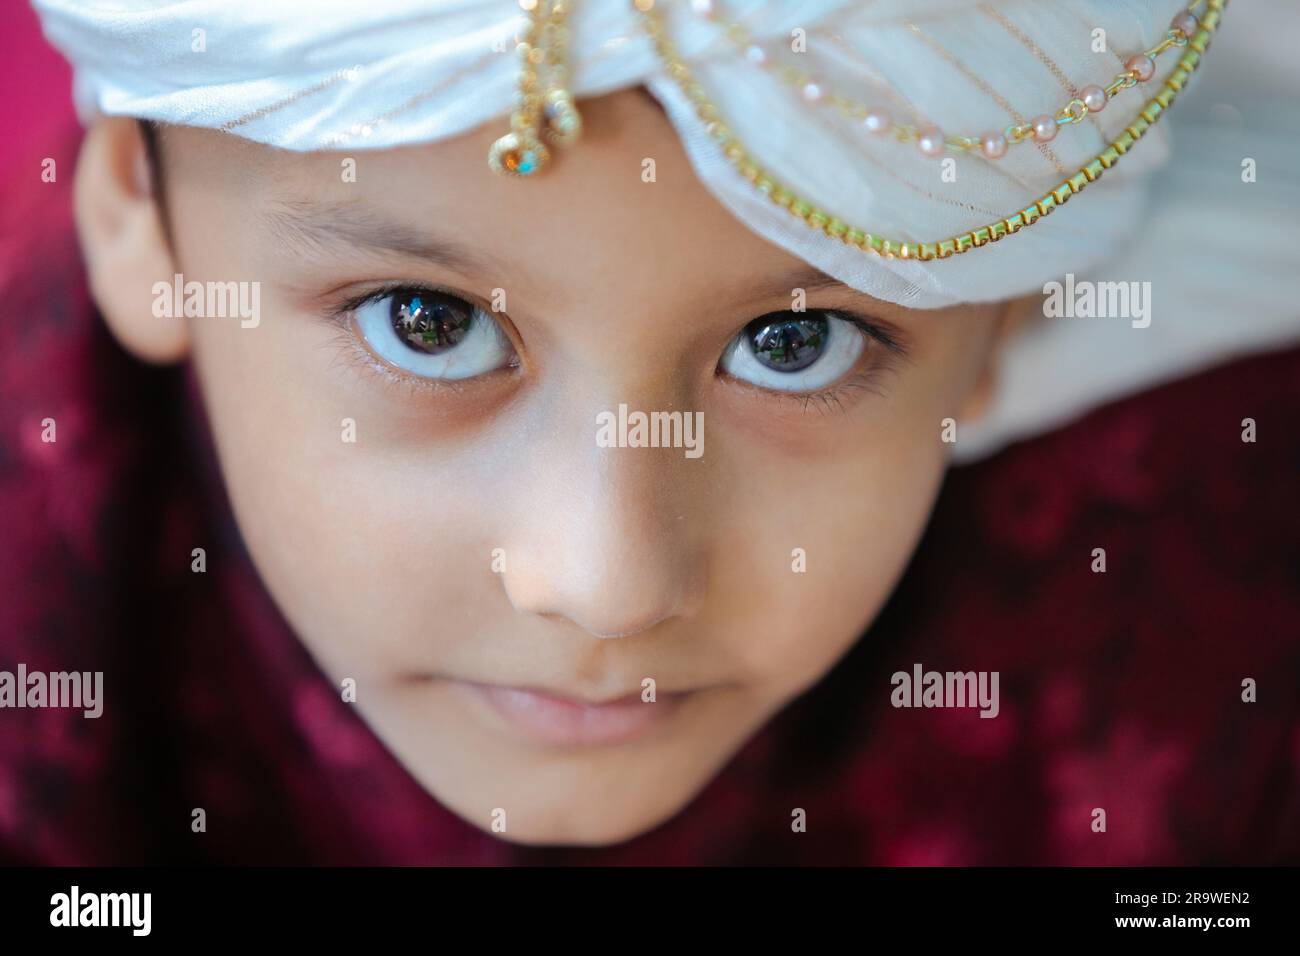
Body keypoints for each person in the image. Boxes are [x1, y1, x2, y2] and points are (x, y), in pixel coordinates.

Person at [3, 0, 1297, 863]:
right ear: (138, 216)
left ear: (1009, 319)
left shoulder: (1220, 608)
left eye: (795, 344)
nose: (609, 583)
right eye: (427, 322)